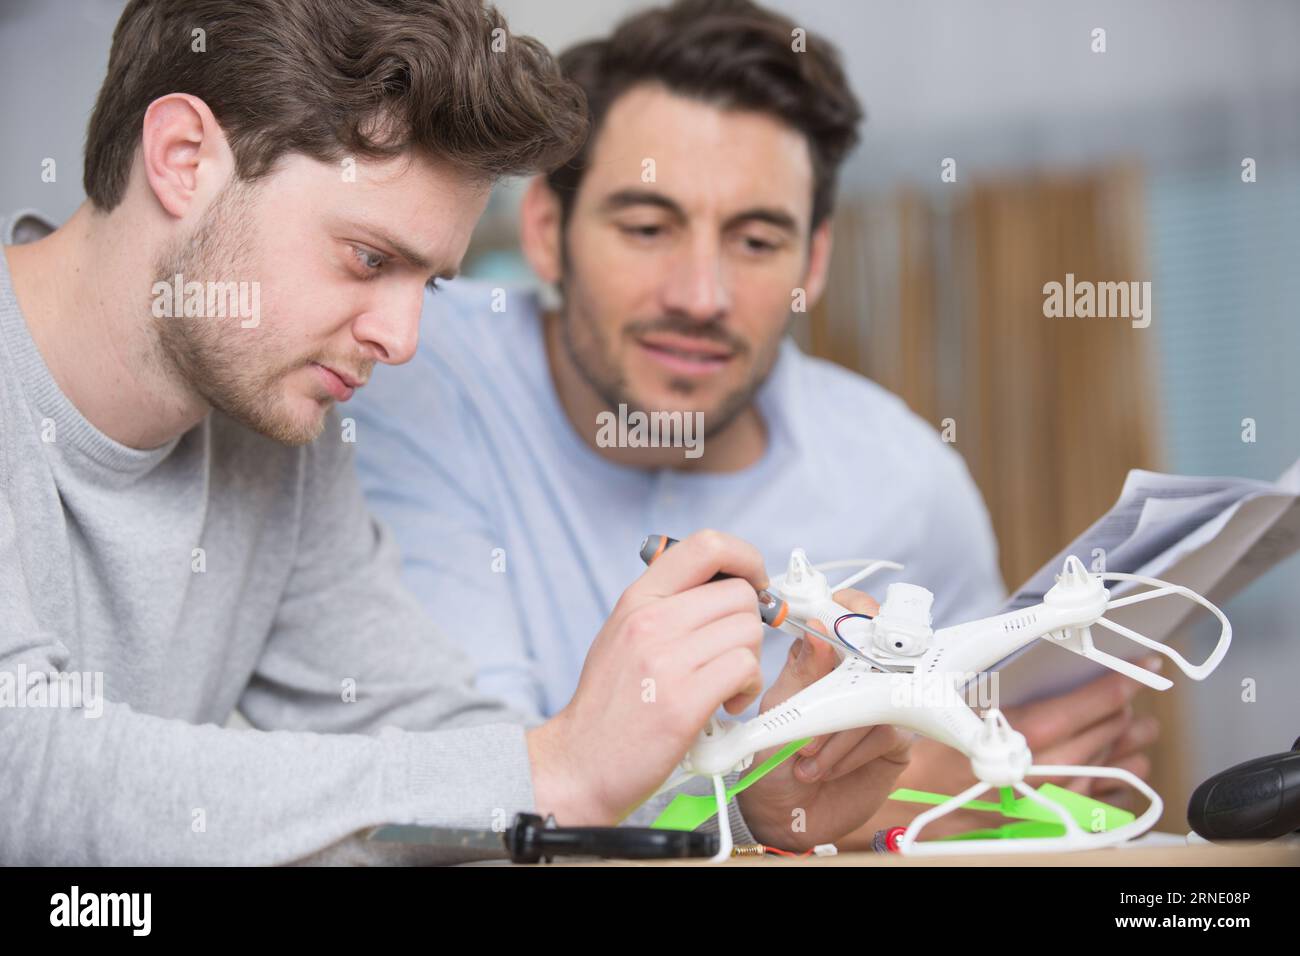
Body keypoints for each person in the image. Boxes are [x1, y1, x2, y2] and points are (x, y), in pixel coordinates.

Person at [0, 0, 909, 865]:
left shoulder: (273, 440)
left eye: (427, 283)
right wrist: (555, 772)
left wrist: (735, 786)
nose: (401, 342)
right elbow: (25, 767)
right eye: (369, 259)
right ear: (185, 157)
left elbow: (444, 745)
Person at [351, 0, 1161, 844]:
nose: (701, 295)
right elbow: (472, 797)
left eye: (756, 241)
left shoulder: (906, 477)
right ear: (547, 232)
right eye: (648, 227)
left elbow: (1005, 784)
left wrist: (1010, 776)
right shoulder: (410, 368)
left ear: (813, 261)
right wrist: (804, 796)